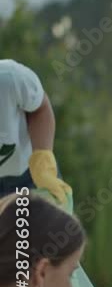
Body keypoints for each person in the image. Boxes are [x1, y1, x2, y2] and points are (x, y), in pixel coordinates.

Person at [0, 59, 73, 205]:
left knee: (49, 227)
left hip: (30, 176)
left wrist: (43, 163)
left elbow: (40, 108)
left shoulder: (10, 78)